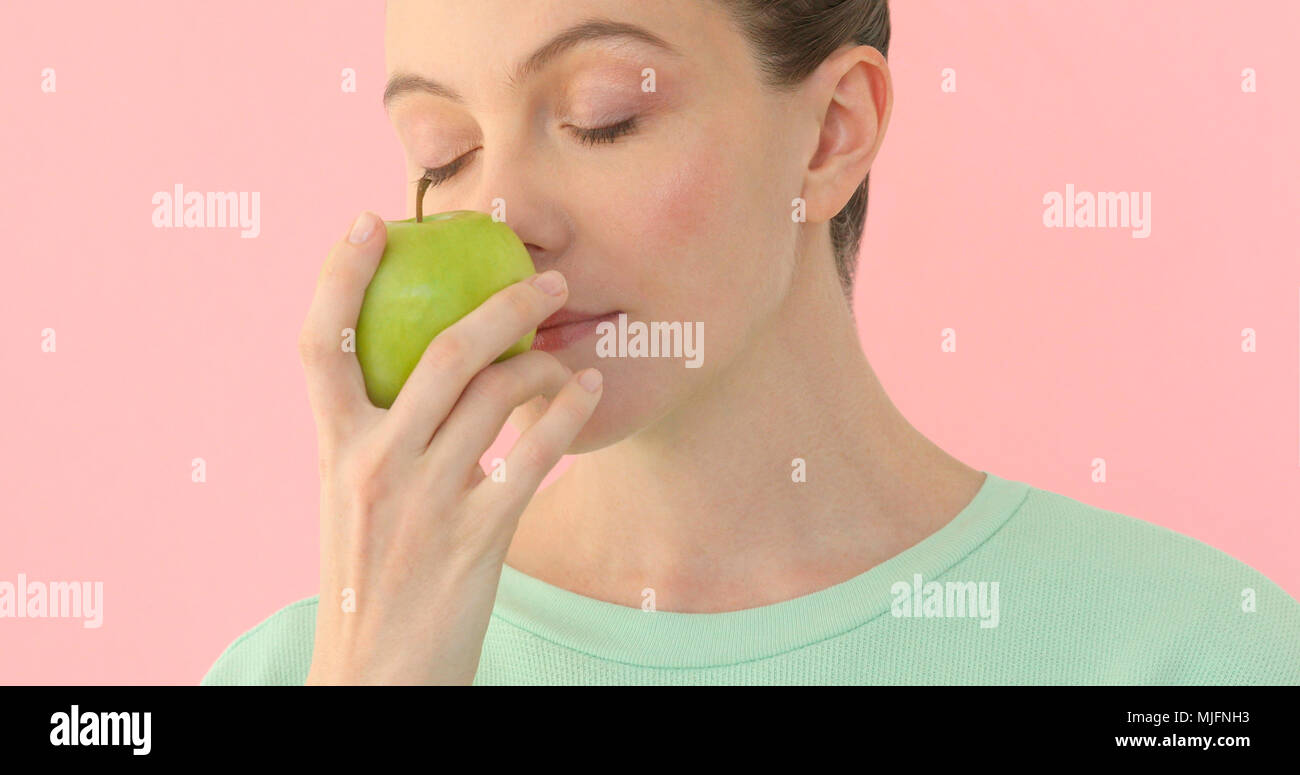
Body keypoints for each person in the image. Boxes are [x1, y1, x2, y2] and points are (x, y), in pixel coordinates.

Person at [202, 0, 1300, 685]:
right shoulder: (298, 671)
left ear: (831, 135)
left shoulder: (1196, 658)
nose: (499, 213)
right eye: (441, 151)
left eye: (601, 116)